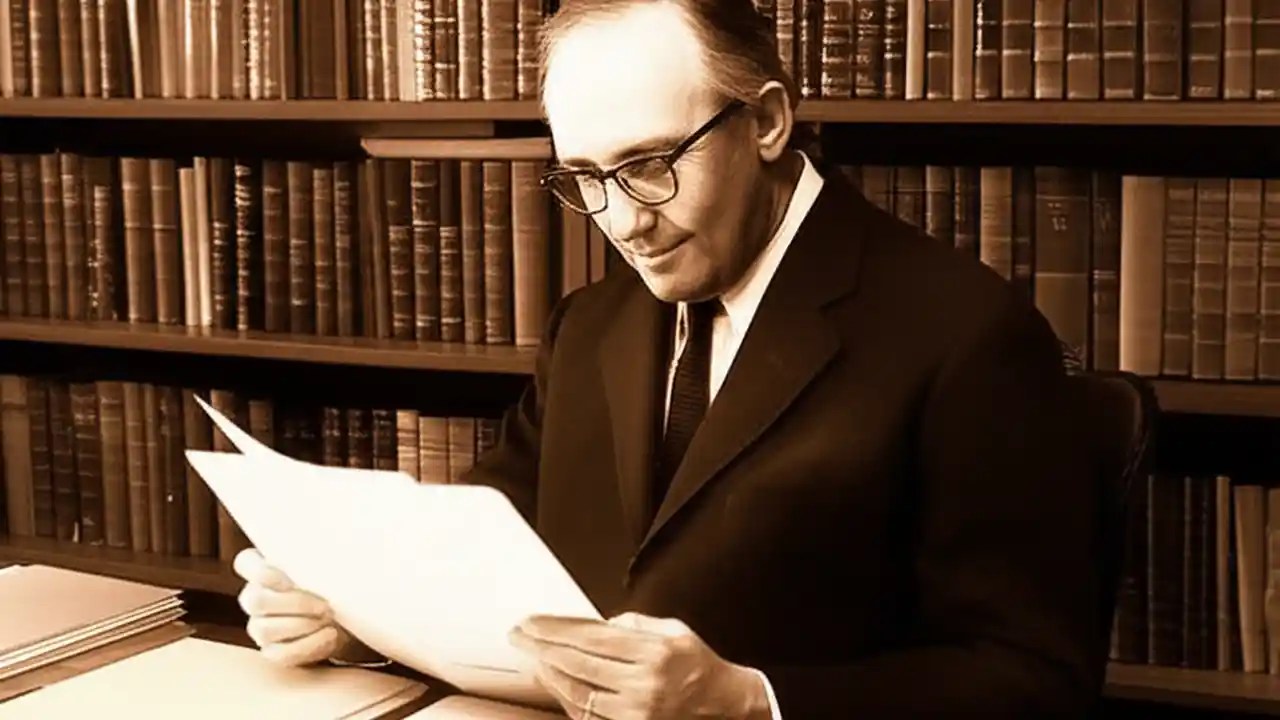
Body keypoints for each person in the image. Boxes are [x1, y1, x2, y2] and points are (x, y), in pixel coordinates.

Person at [233, 0, 1106, 717]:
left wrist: (750, 700)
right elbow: (495, 540)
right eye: (584, 177)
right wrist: (354, 615)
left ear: (766, 121)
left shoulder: (966, 333)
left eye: (650, 164)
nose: (622, 222)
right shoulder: (592, 324)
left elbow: (1033, 679)